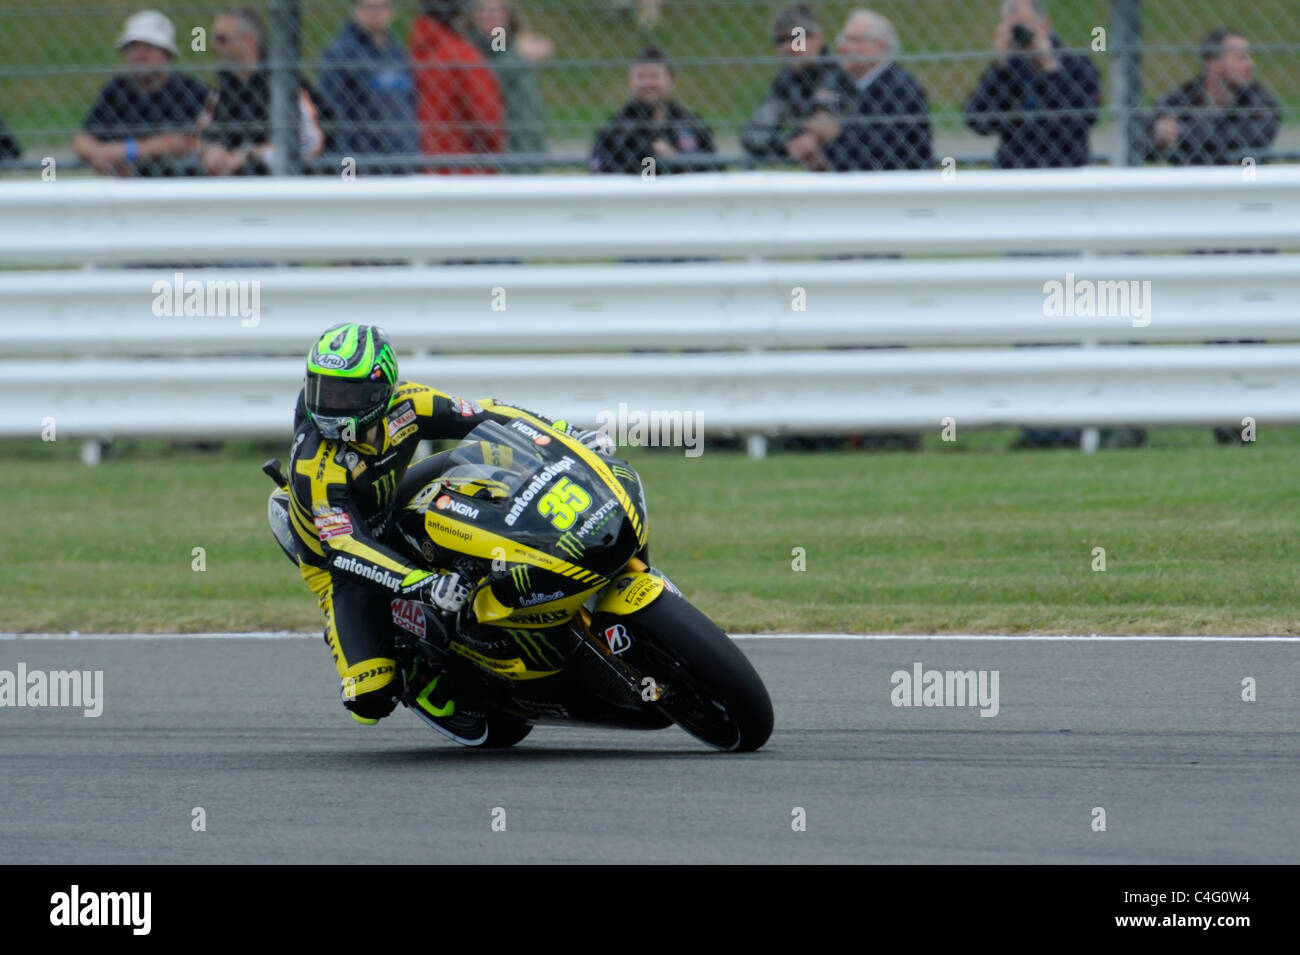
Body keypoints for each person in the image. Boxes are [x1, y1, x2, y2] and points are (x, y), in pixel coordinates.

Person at [287, 323, 615, 741]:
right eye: (323, 391)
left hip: (393, 505)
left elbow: (488, 413)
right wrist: (423, 584)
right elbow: (346, 546)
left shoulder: (409, 404)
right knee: (369, 700)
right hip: (343, 567)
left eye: (345, 394)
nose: (331, 407)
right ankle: (419, 671)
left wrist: (568, 436)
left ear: (379, 391)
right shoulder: (315, 468)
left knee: (488, 451)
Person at [963, 0, 1100, 169]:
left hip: (1066, 167)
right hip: (1014, 170)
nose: (1021, 37)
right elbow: (977, 121)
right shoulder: (1007, 71)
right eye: (1013, 30)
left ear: (1045, 26)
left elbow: (1086, 118)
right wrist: (1001, 67)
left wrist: (1050, 67)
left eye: (1025, 27)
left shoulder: (1077, 65)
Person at [72, 10, 210, 177]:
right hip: (126, 180)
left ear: (167, 55)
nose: (140, 55)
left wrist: (125, 151)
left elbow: (186, 142)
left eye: (149, 48)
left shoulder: (189, 89)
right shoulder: (117, 89)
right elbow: (82, 140)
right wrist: (100, 155)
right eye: (133, 48)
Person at [199, 6, 328, 176]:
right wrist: (211, 149)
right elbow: (202, 130)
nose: (214, 47)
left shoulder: (284, 83)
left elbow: (312, 142)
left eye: (222, 39)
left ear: (249, 41)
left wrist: (252, 154)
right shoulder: (224, 85)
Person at [803, 9, 931, 171]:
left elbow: (884, 154)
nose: (841, 47)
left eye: (852, 40)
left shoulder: (900, 89)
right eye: (842, 39)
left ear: (878, 46)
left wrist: (835, 134)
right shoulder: (848, 86)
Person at [1139, 28, 1280, 166]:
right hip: (1193, 183)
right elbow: (1144, 136)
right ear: (1214, 63)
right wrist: (1159, 135)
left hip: (1242, 181)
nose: (1250, 64)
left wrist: (1181, 134)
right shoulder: (1185, 97)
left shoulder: (1261, 102)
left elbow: (1239, 140)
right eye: (1241, 57)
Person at [741, 4, 854, 171]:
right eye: (780, 41)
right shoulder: (785, 81)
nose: (788, 47)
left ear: (816, 38)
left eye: (796, 38)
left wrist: (814, 135)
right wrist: (790, 142)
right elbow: (755, 133)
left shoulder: (839, 75)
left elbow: (834, 127)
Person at [318, 0, 419, 167]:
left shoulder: (398, 54)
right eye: (367, 7)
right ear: (355, 10)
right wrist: (347, 167)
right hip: (362, 161)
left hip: (403, 157)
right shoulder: (340, 54)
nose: (375, 13)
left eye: (381, 6)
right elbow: (333, 113)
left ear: (391, 11)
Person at [409, 0, 505, 174]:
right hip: (467, 166)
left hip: (426, 162)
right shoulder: (464, 56)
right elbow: (486, 119)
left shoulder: (416, 53)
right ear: (458, 16)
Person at [590, 46, 716, 175]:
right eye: (641, 77)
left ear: (672, 81)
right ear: (630, 83)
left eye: (654, 76)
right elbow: (597, 170)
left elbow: (714, 171)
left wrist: (676, 160)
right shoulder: (615, 129)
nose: (647, 83)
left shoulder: (691, 124)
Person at [468, 0, 549, 169]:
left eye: (497, 10)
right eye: (484, 10)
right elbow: (491, 77)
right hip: (501, 145)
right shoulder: (473, 45)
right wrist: (520, 56)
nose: (491, 16)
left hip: (526, 140)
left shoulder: (504, 41)